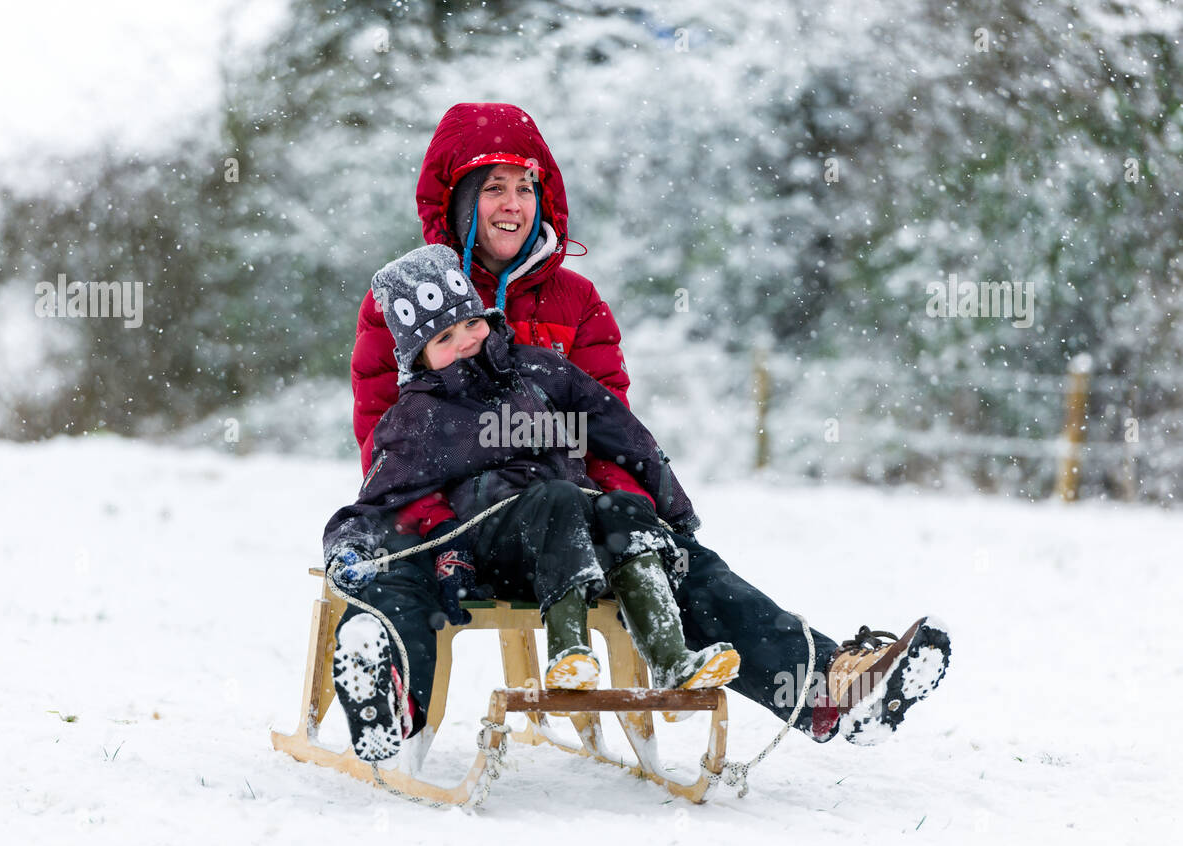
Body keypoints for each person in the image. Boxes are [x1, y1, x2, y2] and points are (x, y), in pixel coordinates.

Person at [335, 102, 950, 762]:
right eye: (493, 188)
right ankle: (388, 691)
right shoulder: (403, 301)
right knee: (379, 561)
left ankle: (830, 688)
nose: (512, 204)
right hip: (446, 528)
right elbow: (384, 439)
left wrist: (626, 510)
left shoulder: (577, 305)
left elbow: (610, 430)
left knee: (676, 558)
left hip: (561, 522)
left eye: (526, 186)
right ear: (458, 201)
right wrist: (446, 516)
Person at [325, 245, 741, 761]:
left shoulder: (539, 371)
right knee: (556, 500)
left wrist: (673, 507)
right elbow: (381, 498)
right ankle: (543, 656)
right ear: (418, 357)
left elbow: (618, 429)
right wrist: (348, 546)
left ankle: (671, 661)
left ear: (485, 315)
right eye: (443, 339)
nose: (465, 344)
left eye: (469, 324)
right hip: (493, 546)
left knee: (624, 513)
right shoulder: (422, 413)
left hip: (575, 539)